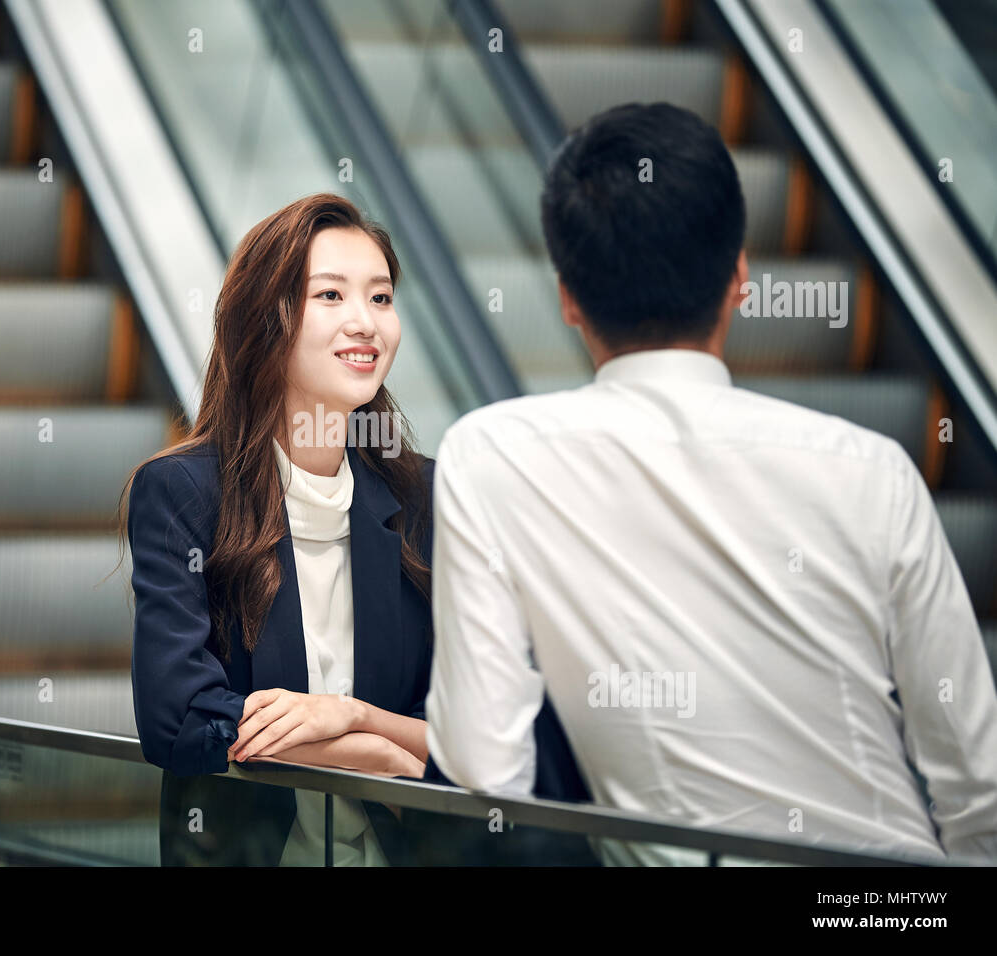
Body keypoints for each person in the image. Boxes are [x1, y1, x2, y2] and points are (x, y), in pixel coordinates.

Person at [424, 102, 997, 865]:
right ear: (740, 278)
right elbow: (977, 782)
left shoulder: (493, 455)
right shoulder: (874, 470)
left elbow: (486, 771)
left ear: (566, 296)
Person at [122, 193, 434, 866]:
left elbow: (466, 734)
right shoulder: (185, 494)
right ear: (268, 319)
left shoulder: (421, 496)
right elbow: (179, 717)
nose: (366, 323)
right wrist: (382, 755)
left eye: (381, 299)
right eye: (330, 295)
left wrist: (351, 718)